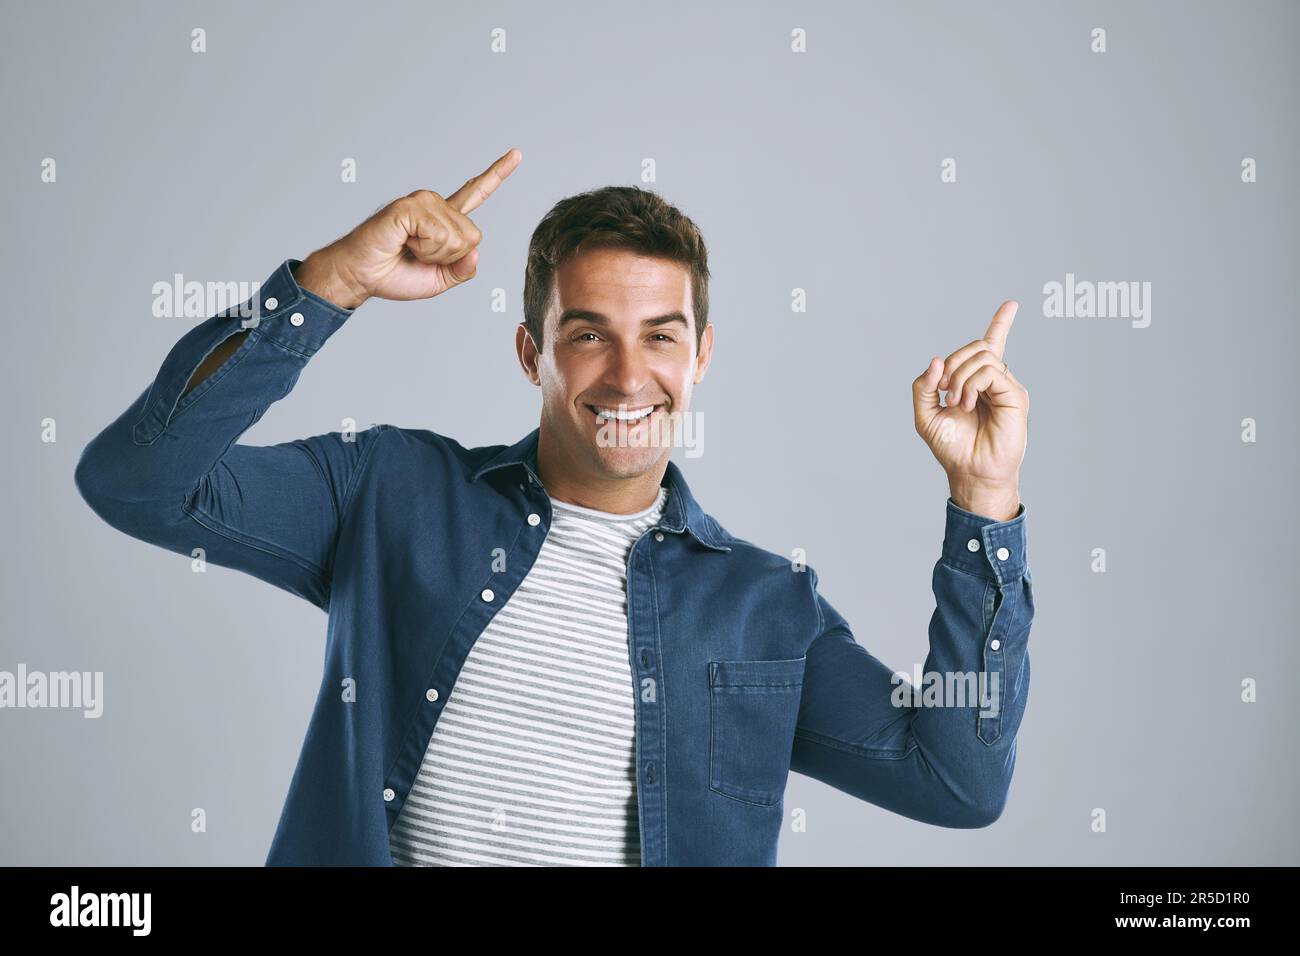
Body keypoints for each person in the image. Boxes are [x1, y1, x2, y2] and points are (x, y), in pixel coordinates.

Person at [74, 147, 1035, 866]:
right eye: (588, 335)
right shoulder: (390, 493)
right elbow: (137, 481)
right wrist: (330, 283)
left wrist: (984, 503)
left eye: (661, 337)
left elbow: (956, 784)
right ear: (533, 354)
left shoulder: (767, 609)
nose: (628, 376)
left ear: (701, 357)